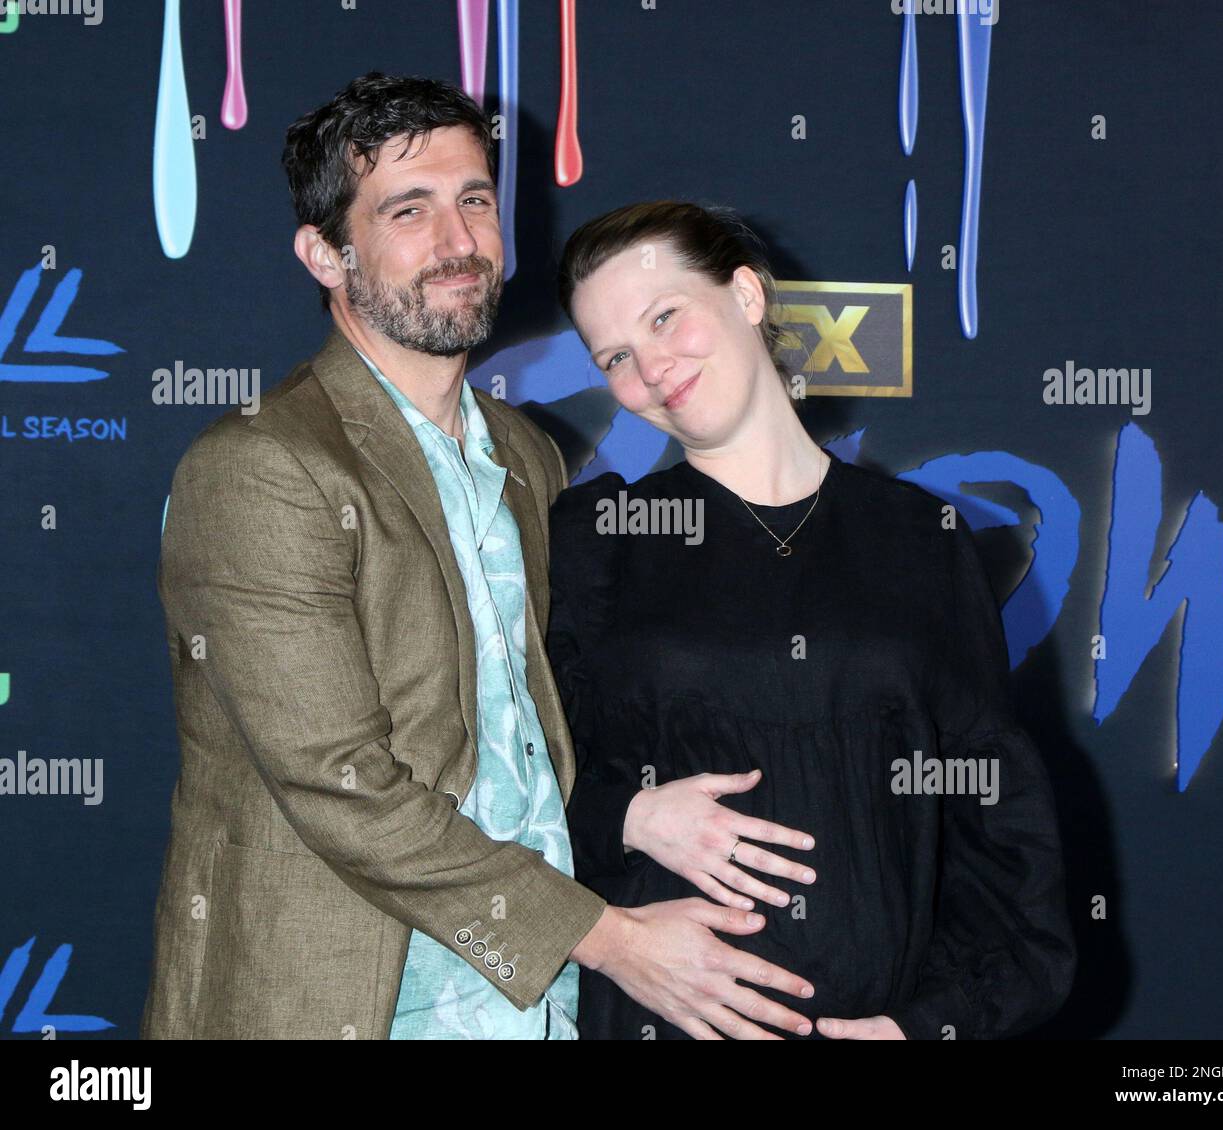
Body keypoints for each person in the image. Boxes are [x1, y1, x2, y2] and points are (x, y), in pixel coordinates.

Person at [140, 76, 817, 1040]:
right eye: (407, 211)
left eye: (477, 200)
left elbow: (531, 735)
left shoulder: (527, 456)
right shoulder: (261, 467)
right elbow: (341, 785)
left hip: (537, 1008)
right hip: (354, 1009)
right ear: (325, 254)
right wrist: (613, 941)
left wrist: (629, 816)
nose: (460, 243)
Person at [548, 200, 1078, 1040]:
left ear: (747, 295)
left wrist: (926, 1026)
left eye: (665, 317)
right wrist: (629, 816)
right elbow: (501, 809)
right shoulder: (595, 543)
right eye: (616, 354)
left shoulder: (920, 540)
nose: (651, 368)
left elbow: (995, 827)